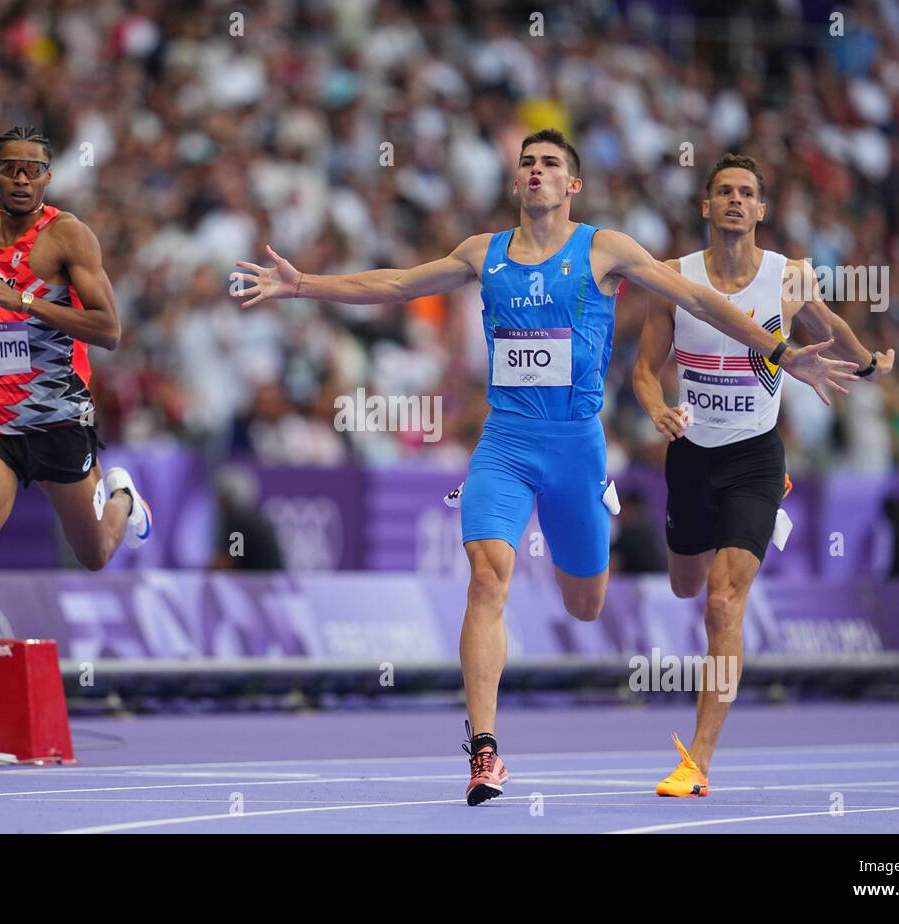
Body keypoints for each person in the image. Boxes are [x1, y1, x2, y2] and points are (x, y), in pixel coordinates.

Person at [232, 129, 856, 805]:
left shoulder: (606, 250)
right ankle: (485, 752)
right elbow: (396, 284)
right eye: (527, 163)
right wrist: (303, 286)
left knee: (586, 604)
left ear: (572, 185)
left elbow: (699, 300)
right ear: (515, 181)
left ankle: (609, 533)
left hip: (577, 449)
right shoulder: (484, 254)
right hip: (505, 442)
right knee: (485, 579)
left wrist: (778, 350)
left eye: (550, 164)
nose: (536, 171)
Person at [632, 153, 895, 796]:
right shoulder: (674, 277)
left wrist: (869, 365)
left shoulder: (788, 276)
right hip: (691, 456)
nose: (734, 201)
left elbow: (828, 327)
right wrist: (657, 409)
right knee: (685, 584)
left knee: (724, 603)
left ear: (761, 209)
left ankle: (697, 762)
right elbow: (642, 370)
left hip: (755, 458)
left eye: (746, 192)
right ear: (705, 205)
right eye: (723, 191)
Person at [0, 126, 153, 737]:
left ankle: (121, 497)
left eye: (32, 170)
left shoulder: (68, 236)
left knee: (94, 554)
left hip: (57, 417)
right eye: (9, 168)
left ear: (47, 178)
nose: (20, 178)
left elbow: (109, 328)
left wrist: (30, 304)